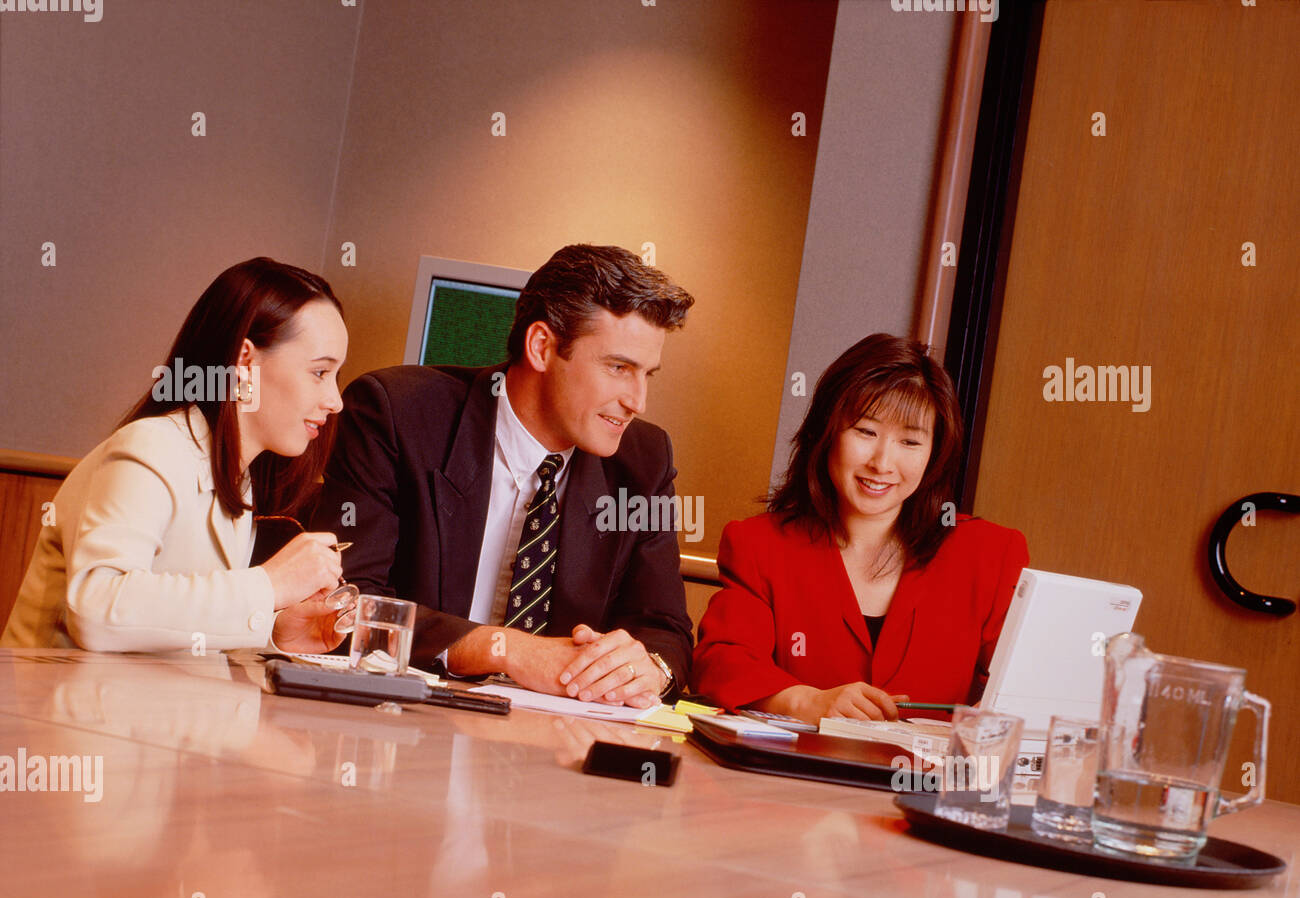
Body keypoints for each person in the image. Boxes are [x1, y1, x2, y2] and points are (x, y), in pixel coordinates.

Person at [313, 244, 695, 708]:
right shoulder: (396, 414)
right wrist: (504, 649)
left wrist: (648, 668)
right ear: (541, 347)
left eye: (647, 374)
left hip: (555, 737)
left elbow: (665, 629)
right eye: (619, 368)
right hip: (401, 717)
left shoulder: (644, 461)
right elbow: (344, 602)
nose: (637, 401)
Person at [3, 257, 352, 654]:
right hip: (49, 694)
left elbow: (177, 628)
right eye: (320, 373)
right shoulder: (151, 446)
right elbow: (96, 613)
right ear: (245, 361)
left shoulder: (237, 479)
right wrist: (268, 585)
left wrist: (274, 632)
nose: (335, 401)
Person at [693, 333, 1028, 721]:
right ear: (826, 431)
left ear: (935, 453)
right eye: (866, 432)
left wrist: (998, 715)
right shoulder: (759, 544)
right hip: (803, 760)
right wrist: (805, 702)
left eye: (910, 441)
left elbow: (1028, 686)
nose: (882, 463)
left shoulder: (990, 554)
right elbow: (721, 661)